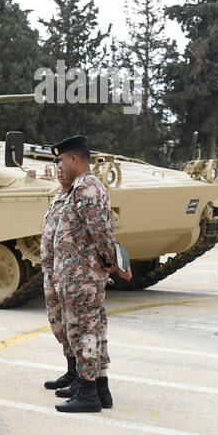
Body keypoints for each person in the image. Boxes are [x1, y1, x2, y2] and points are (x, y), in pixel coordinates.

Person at [50, 135, 131, 413]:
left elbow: (101, 231)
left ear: (74, 159)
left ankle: (88, 394)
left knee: (84, 332)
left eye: (61, 159)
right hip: (77, 275)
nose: (58, 165)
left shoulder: (86, 189)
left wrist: (111, 261)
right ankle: (100, 389)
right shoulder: (80, 189)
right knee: (91, 331)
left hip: (81, 277)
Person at [41, 157, 76, 391]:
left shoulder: (79, 196)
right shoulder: (57, 197)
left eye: (64, 167)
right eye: (57, 168)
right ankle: (71, 371)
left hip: (70, 273)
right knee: (59, 326)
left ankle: (82, 379)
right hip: (52, 274)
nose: (60, 172)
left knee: (75, 326)